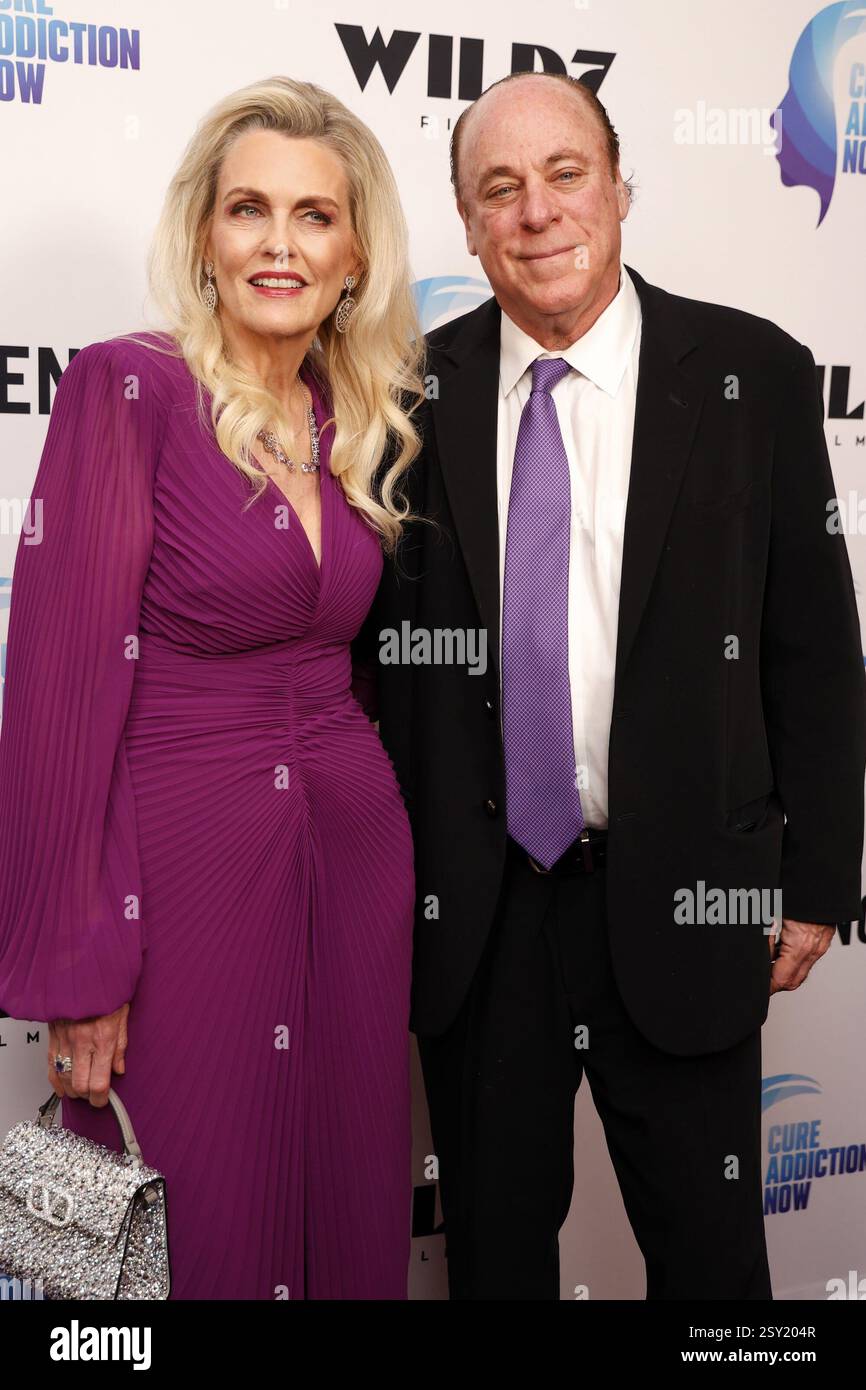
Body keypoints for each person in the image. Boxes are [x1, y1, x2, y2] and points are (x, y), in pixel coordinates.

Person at [367, 71, 866, 1299]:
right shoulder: (405, 395)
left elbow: (811, 646)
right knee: (491, 1259)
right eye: (499, 188)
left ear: (620, 188)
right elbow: (381, 673)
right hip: (482, 919)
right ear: (468, 220)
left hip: (684, 896)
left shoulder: (750, 372)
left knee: (713, 1271)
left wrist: (816, 881)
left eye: (563, 173)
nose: (535, 211)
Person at [0, 75, 424, 1300]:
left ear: (354, 254)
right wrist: (79, 969)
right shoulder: (124, 388)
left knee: (338, 1200)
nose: (279, 244)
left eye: (313, 216)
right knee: (189, 1226)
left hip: (348, 869)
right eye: (249, 210)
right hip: (178, 886)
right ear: (203, 235)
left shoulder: (351, 418)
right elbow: (57, 701)